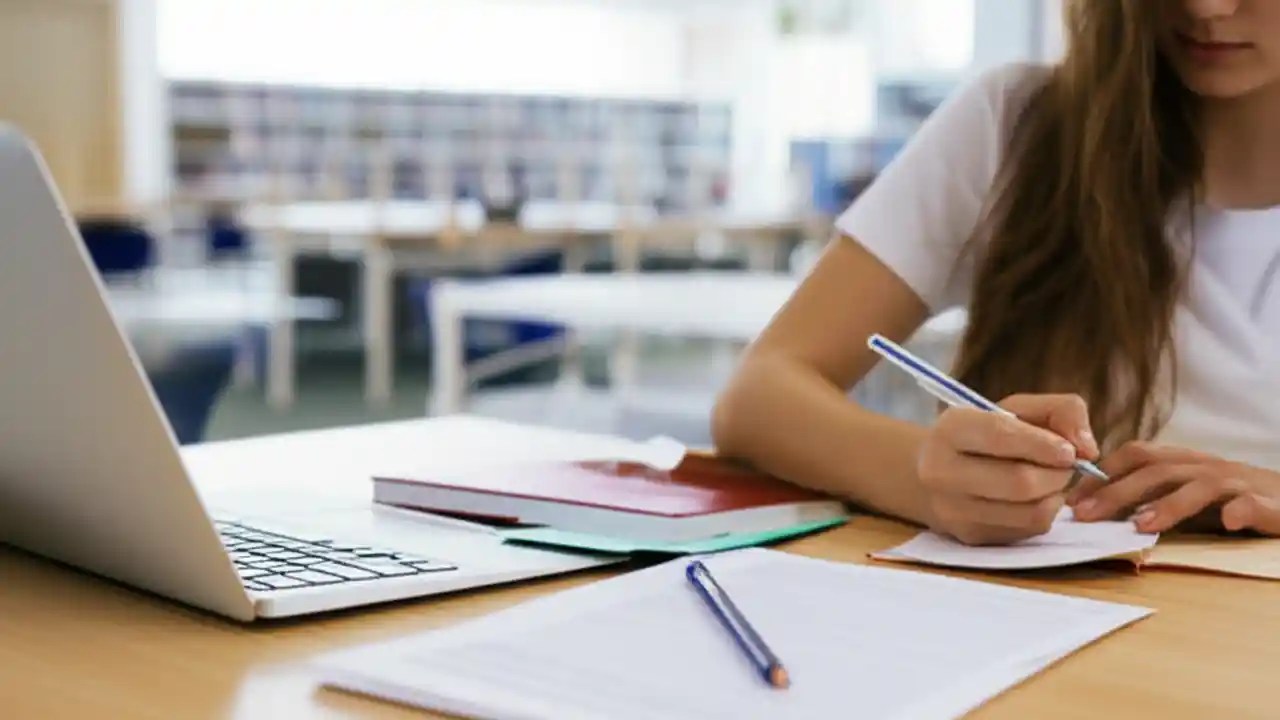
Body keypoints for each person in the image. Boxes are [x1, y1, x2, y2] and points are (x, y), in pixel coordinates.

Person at [712, 0, 1280, 545]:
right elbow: (758, 396)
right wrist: (922, 474)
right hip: (1054, 614)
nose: (1207, 7)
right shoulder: (1017, 124)